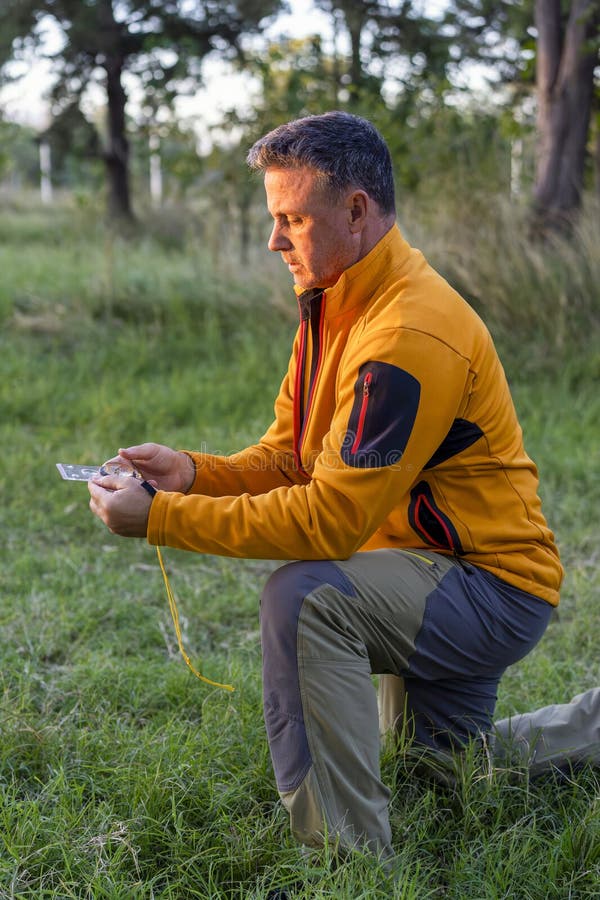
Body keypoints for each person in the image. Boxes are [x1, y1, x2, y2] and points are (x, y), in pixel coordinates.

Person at [89, 111, 573, 866]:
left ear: (355, 210)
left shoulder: (406, 336)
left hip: (490, 587)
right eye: (272, 219)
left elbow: (327, 523)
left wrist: (162, 518)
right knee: (440, 769)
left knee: (304, 598)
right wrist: (191, 473)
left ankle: (346, 862)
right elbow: (291, 459)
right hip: (423, 571)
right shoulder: (336, 300)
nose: (275, 240)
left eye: (291, 219)